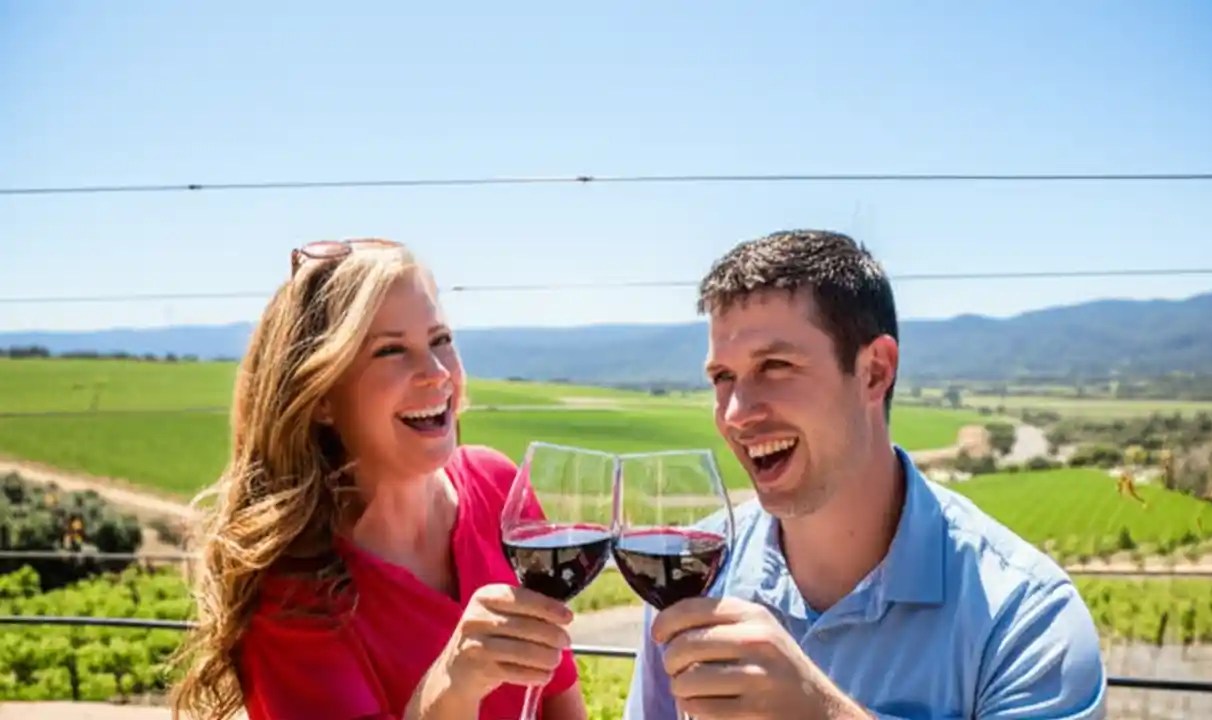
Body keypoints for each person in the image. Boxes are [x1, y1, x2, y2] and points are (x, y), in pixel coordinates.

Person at [623, 230, 1106, 719]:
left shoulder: (1026, 615)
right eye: (723, 377)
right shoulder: (695, 574)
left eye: (775, 365)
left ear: (875, 371)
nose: (736, 413)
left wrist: (820, 712)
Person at [170, 239, 588, 720]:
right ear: (322, 397)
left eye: (440, 340)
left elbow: (560, 702)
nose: (435, 373)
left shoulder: (499, 488)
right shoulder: (293, 596)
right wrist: (450, 686)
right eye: (391, 351)